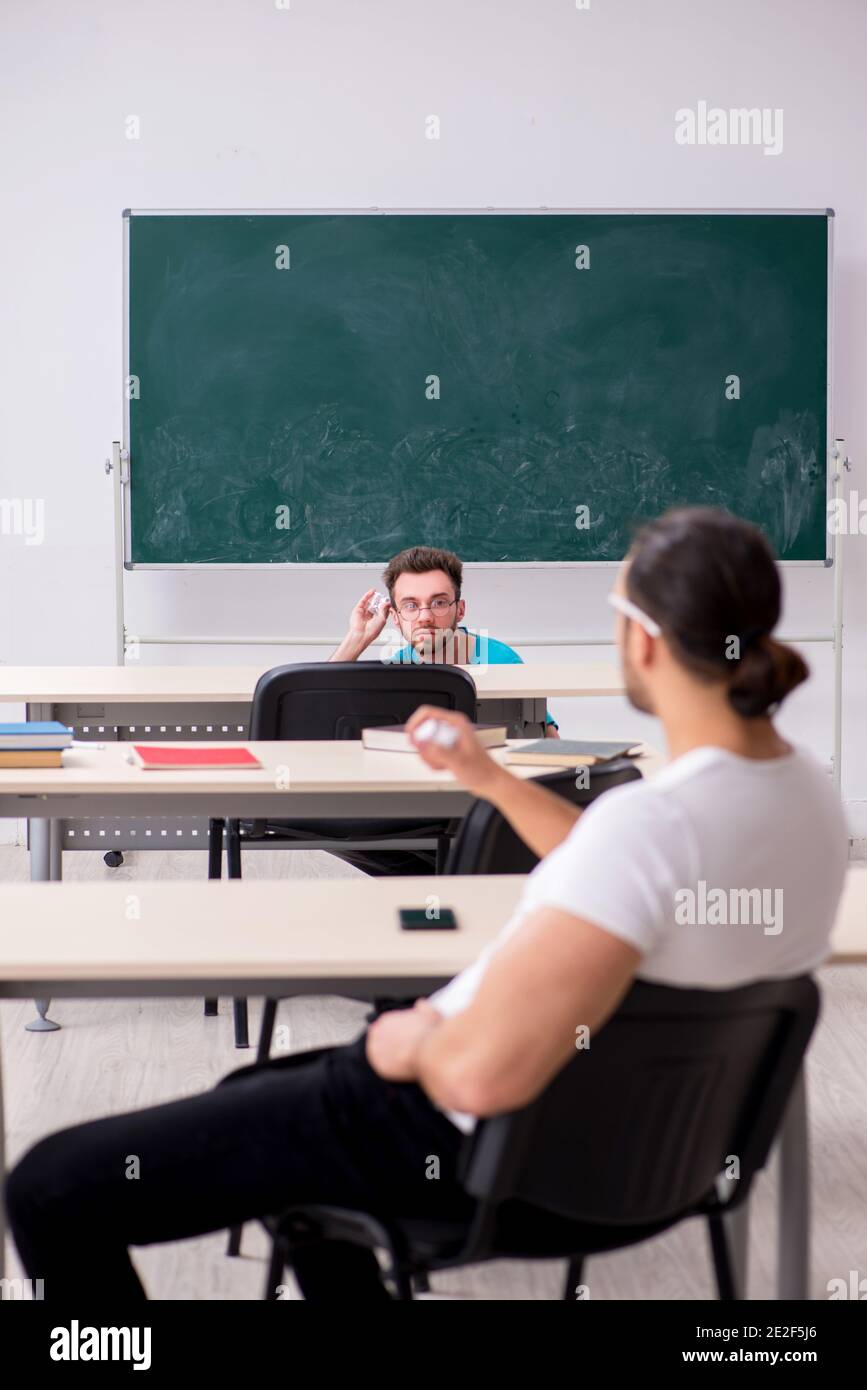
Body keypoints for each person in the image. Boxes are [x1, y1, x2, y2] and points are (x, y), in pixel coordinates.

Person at [5, 507, 847, 1301]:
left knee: (50, 1187)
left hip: (457, 1139)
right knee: (257, 1093)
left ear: (647, 643)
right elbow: (616, 861)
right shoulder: (805, 799)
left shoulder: (649, 824)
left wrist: (402, 1041)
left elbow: (485, 1069)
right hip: (647, 1157)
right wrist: (485, 778)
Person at [329, 544, 561, 736]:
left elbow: (546, 740)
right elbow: (319, 702)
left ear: (459, 610)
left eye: (439, 603)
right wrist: (357, 638)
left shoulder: (502, 660)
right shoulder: (397, 668)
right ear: (396, 617)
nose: (425, 617)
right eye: (410, 605)